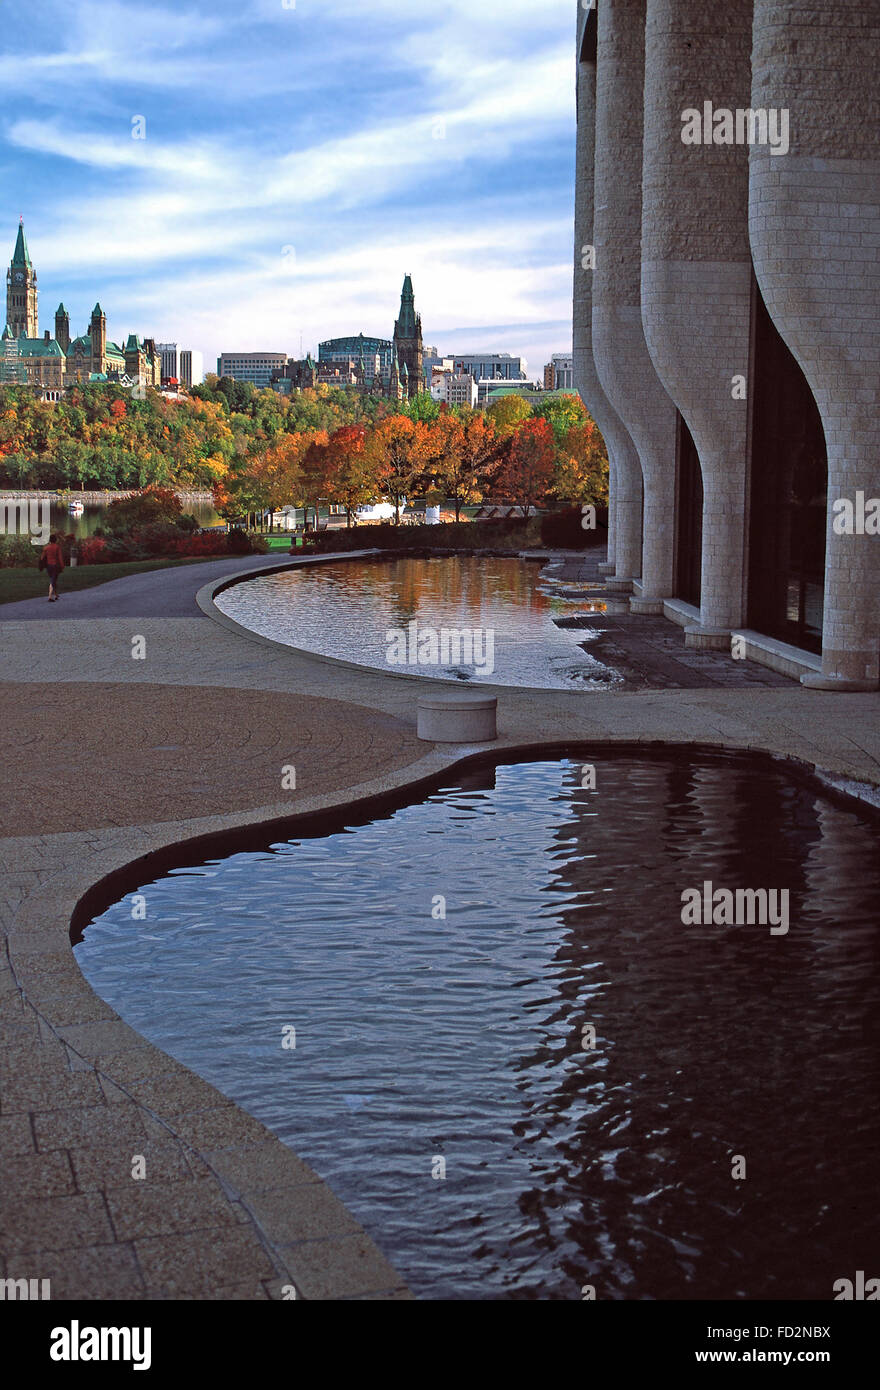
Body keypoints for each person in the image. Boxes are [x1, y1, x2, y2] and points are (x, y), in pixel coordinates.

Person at [40, 532, 65, 602]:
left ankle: (56, 595)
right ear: (55, 540)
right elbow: (60, 557)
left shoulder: (46, 548)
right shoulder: (57, 547)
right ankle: (50, 596)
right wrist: (62, 565)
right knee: (53, 580)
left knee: (53, 579)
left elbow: (42, 558)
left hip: (48, 566)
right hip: (55, 565)